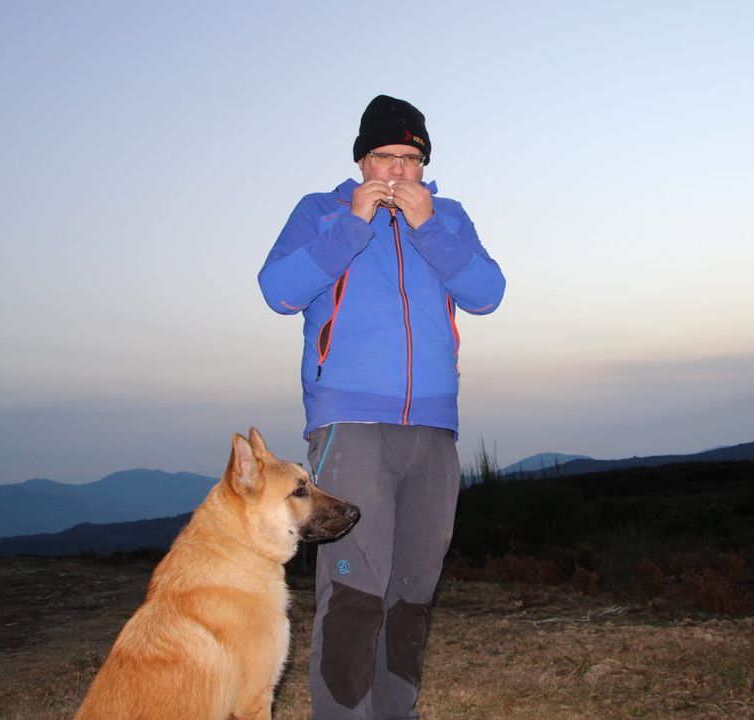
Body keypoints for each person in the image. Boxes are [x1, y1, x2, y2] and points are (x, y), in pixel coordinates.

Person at [258, 95, 505, 719]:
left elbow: (487, 293)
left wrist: (429, 230)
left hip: (434, 429)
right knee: (354, 589)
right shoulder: (322, 211)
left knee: (412, 591)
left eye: (410, 158)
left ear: (424, 163)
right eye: (383, 157)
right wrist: (352, 224)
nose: (396, 171)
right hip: (351, 427)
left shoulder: (447, 217)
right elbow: (279, 292)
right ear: (361, 160)